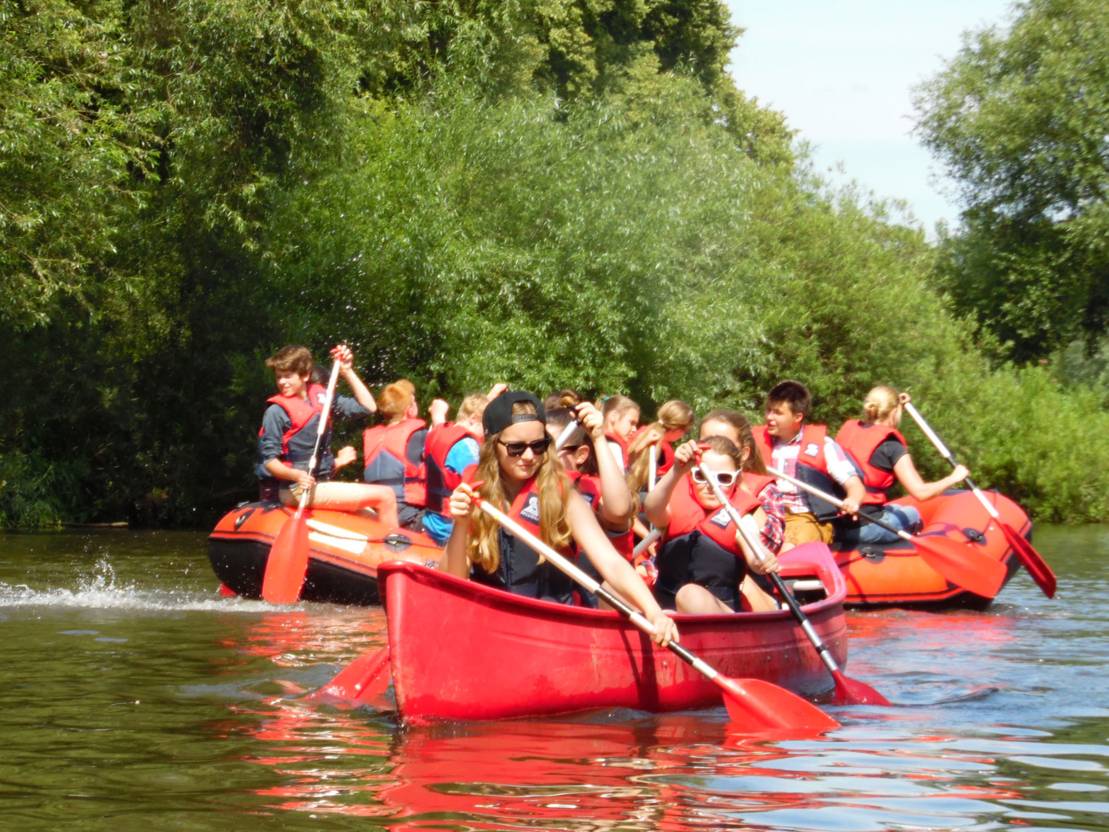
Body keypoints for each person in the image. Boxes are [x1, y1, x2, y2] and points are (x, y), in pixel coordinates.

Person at [440, 391, 678, 647]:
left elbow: (612, 562)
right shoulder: (474, 492)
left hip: (550, 629)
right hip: (491, 625)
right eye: (516, 448)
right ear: (492, 445)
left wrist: (653, 611)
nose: (529, 456)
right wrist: (462, 524)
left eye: (538, 445)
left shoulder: (562, 494)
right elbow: (452, 578)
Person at [256, 344, 398, 526]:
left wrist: (347, 371)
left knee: (373, 518)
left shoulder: (322, 397)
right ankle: (393, 553)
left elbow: (368, 407)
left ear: (305, 375)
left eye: (288, 376)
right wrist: (296, 475)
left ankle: (386, 547)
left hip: (321, 484)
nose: (282, 382)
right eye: (279, 377)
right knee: (385, 495)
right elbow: (270, 462)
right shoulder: (276, 412)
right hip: (296, 489)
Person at [644, 436, 780, 613]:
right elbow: (652, 511)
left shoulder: (741, 517)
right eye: (701, 476)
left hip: (716, 610)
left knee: (690, 595)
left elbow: (754, 553)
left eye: (723, 478)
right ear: (691, 474)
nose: (711, 485)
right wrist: (676, 470)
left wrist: (762, 560)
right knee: (612, 586)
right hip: (664, 610)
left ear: (736, 478)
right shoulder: (674, 505)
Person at [833, 386, 970, 545]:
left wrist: (898, 404)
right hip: (864, 528)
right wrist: (954, 478)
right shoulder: (891, 446)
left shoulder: (849, 429)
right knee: (912, 513)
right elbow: (921, 493)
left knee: (896, 509)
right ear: (894, 412)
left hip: (837, 522)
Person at [752, 380, 866, 547]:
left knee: (789, 547)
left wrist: (853, 500)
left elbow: (854, 484)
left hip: (806, 518)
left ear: (798, 416)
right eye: (768, 410)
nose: (769, 417)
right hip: (766, 513)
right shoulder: (754, 443)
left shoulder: (824, 445)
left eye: (777, 413)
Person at [546, 402, 636, 565]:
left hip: (592, 582)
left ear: (580, 455)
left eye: (550, 448)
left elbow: (619, 510)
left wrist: (598, 438)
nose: (538, 455)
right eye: (539, 446)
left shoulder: (593, 488)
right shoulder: (527, 485)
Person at [422, 383, 507, 545]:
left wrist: (490, 398)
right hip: (449, 528)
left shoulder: (436, 432)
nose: (488, 433)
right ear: (474, 419)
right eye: (487, 426)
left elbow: (440, 420)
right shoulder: (467, 447)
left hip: (431, 522)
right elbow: (479, 487)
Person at [362, 379, 428, 529]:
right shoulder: (417, 434)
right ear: (408, 408)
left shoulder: (371, 435)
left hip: (376, 509)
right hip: (407, 511)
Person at [601, 394, 640, 471]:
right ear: (613, 416)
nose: (635, 429)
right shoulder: (612, 447)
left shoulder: (600, 442)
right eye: (631, 423)